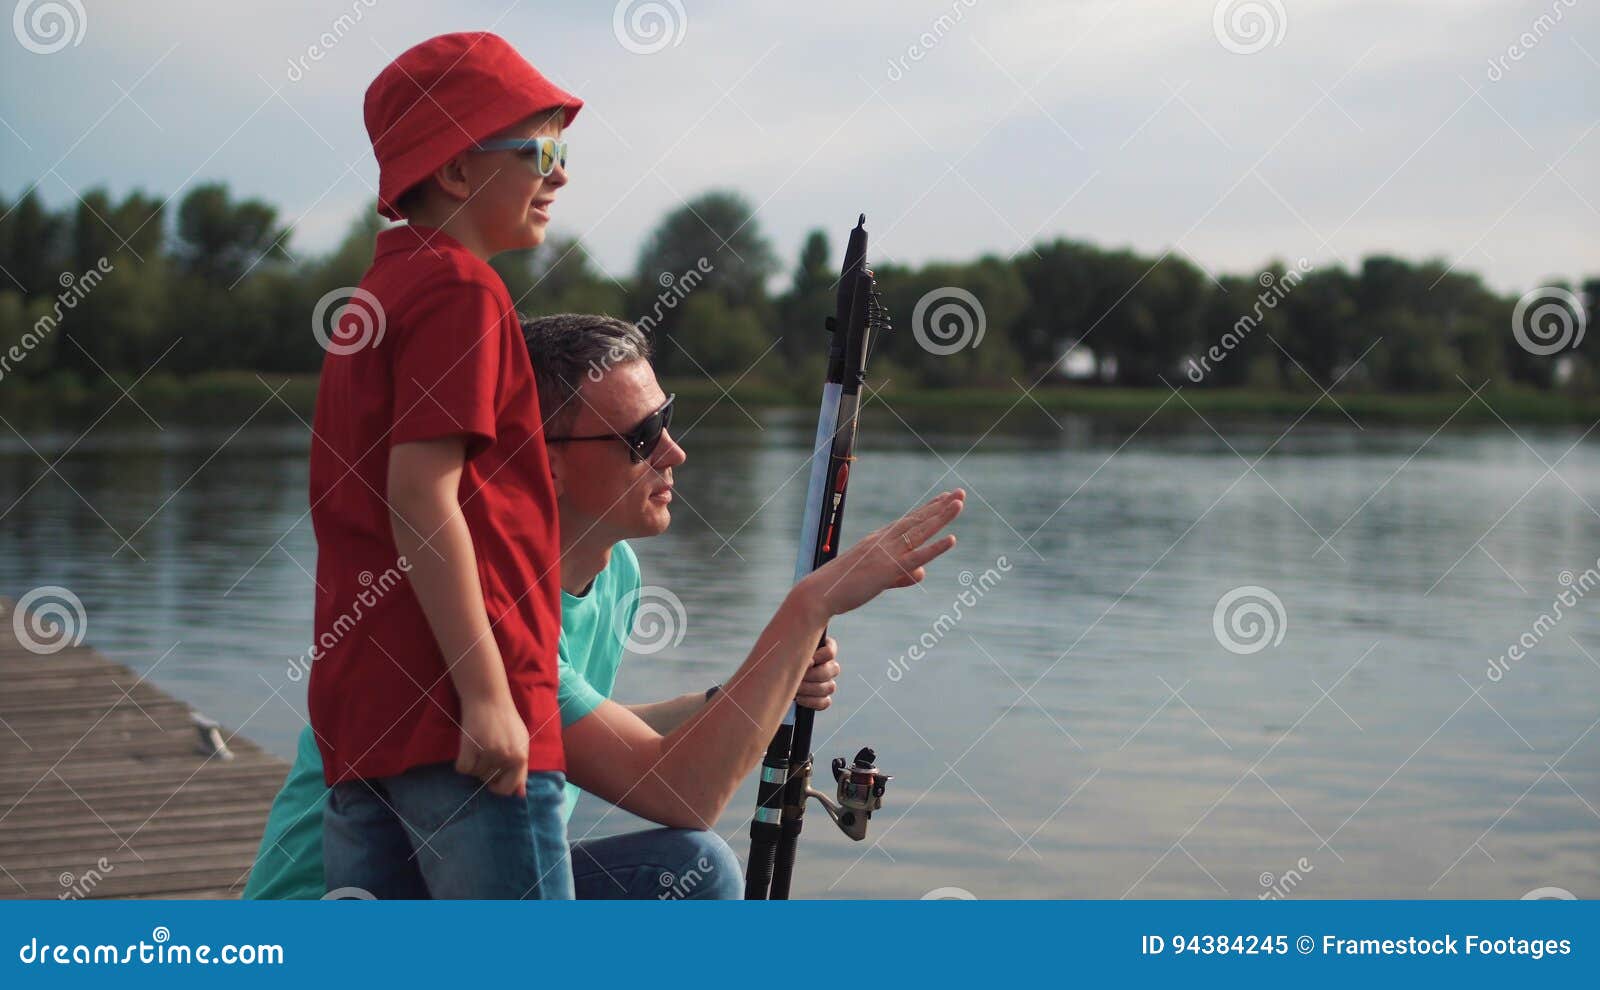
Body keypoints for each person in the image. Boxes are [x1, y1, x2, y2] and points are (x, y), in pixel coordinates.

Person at [248, 314, 965, 899]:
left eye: (668, 420)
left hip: (460, 892)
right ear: (540, 460)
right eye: (642, 438)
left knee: (694, 871)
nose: (675, 454)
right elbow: (681, 791)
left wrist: (730, 695)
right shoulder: (474, 606)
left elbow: (587, 734)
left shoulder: (611, 567)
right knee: (699, 866)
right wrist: (811, 604)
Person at [307, 32, 583, 899]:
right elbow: (421, 498)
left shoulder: (376, 297)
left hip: (369, 719)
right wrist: (491, 696)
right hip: (460, 719)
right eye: (542, 150)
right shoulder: (462, 288)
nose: (562, 174)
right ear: (458, 171)